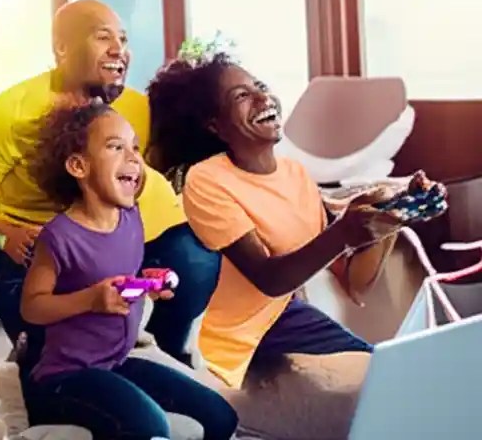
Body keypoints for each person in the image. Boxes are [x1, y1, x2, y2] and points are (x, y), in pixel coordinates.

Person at [0, 0, 220, 382]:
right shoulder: (16, 110)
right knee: (59, 335)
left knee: (196, 259)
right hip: (22, 250)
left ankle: (163, 353)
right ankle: (36, 362)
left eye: (123, 39)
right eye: (102, 37)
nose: (119, 49)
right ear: (62, 49)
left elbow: (194, 159)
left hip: (110, 243)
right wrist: (3, 234)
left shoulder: (138, 110)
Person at [146, 52, 408, 390]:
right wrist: (344, 232)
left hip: (281, 316)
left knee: (386, 375)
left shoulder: (295, 175)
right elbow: (268, 278)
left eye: (260, 87)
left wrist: (391, 217)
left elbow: (354, 281)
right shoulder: (206, 180)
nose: (262, 98)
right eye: (241, 96)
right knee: (381, 385)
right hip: (229, 336)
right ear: (215, 125)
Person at [19, 100, 239, 439]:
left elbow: (120, 282)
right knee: (147, 427)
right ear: (79, 166)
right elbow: (32, 306)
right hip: (65, 377)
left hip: (116, 362)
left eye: (135, 148)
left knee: (221, 417)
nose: (133, 158)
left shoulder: (131, 218)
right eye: (115, 147)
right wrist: (90, 300)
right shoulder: (59, 237)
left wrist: (145, 286)